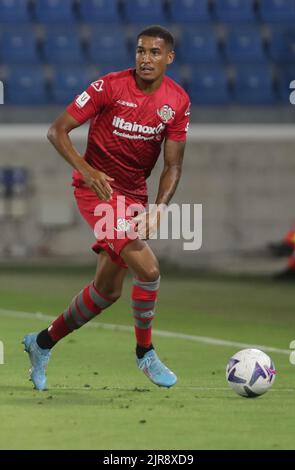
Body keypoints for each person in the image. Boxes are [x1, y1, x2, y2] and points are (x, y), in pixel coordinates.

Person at [22, 25, 190, 390]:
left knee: (107, 291)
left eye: (155, 53)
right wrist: (88, 170)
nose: (146, 59)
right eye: (141, 51)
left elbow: (173, 165)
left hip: (134, 196)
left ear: (169, 58)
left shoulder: (177, 101)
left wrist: (159, 208)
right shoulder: (109, 86)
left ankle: (41, 342)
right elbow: (57, 131)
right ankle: (145, 353)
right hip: (95, 189)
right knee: (148, 268)